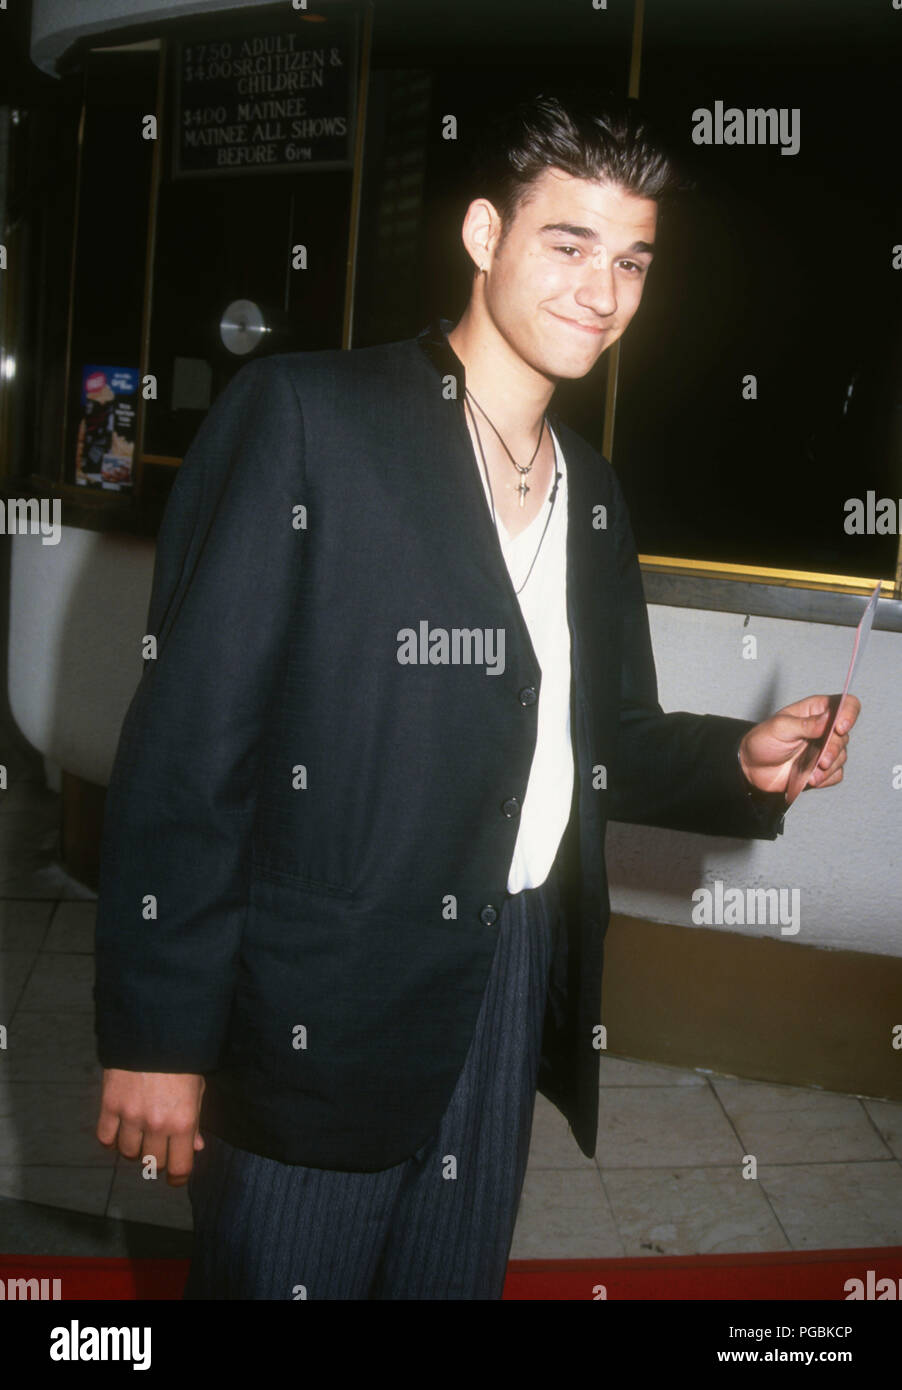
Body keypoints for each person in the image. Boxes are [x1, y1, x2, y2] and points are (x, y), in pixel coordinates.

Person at [93, 92, 859, 1300]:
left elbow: (599, 737)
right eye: (566, 246)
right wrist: (156, 1032)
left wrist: (739, 761)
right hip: (318, 999)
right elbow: (190, 748)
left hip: (506, 972)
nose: (601, 294)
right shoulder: (309, 420)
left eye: (630, 262)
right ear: (480, 235)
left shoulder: (593, 491)